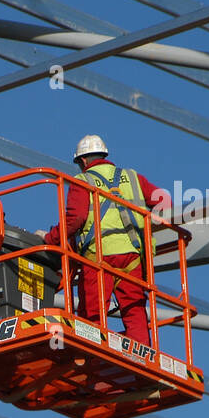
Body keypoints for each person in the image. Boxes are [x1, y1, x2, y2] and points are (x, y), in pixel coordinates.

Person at [36, 135, 168, 344]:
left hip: (99, 257)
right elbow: (163, 199)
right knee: (134, 310)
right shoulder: (132, 176)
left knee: (93, 312)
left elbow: (76, 218)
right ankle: (143, 354)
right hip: (132, 255)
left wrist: (50, 238)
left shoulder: (82, 181)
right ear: (105, 155)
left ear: (82, 162)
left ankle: (91, 353)